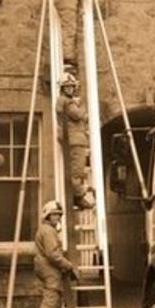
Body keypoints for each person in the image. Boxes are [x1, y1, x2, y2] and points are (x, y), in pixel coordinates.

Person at [29, 200, 79, 308]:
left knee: (54, 299)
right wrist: (69, 267)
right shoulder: (48, 231)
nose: (58, 218)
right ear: (48, 215)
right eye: (55, 215)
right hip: (48, 267)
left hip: (45, 267)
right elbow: (53, 255)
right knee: (50, 301)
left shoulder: (46, 230)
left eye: (59, 215)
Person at [56, 72, 95, 209]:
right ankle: (78, 197)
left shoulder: (66, 101)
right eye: (67, 87)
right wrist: (84, 106)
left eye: (72, 87)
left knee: (79, 169)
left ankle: (79, 194)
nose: (70, 89)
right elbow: (78, 115)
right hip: (75, 140)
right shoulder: (66, 101)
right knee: (77, 171)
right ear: (62, 88)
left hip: (77, 139)